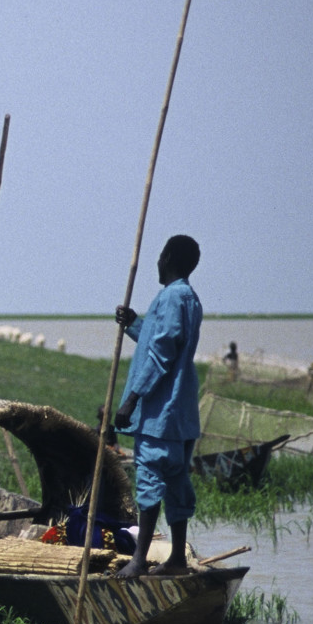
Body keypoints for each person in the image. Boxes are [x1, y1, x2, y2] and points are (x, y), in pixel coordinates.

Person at [110, 234, 204, 579]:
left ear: (167, 258)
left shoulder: (171, 297)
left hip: (160, 412)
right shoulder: (189, 299)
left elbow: (162, 353)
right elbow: (159, 339)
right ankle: (177, 559)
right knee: (177, 483)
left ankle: (138, 560)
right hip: (181, 415)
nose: (157, 261)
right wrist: (135, 322)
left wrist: (133, 397)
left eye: (161, 255)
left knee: (150, 480)